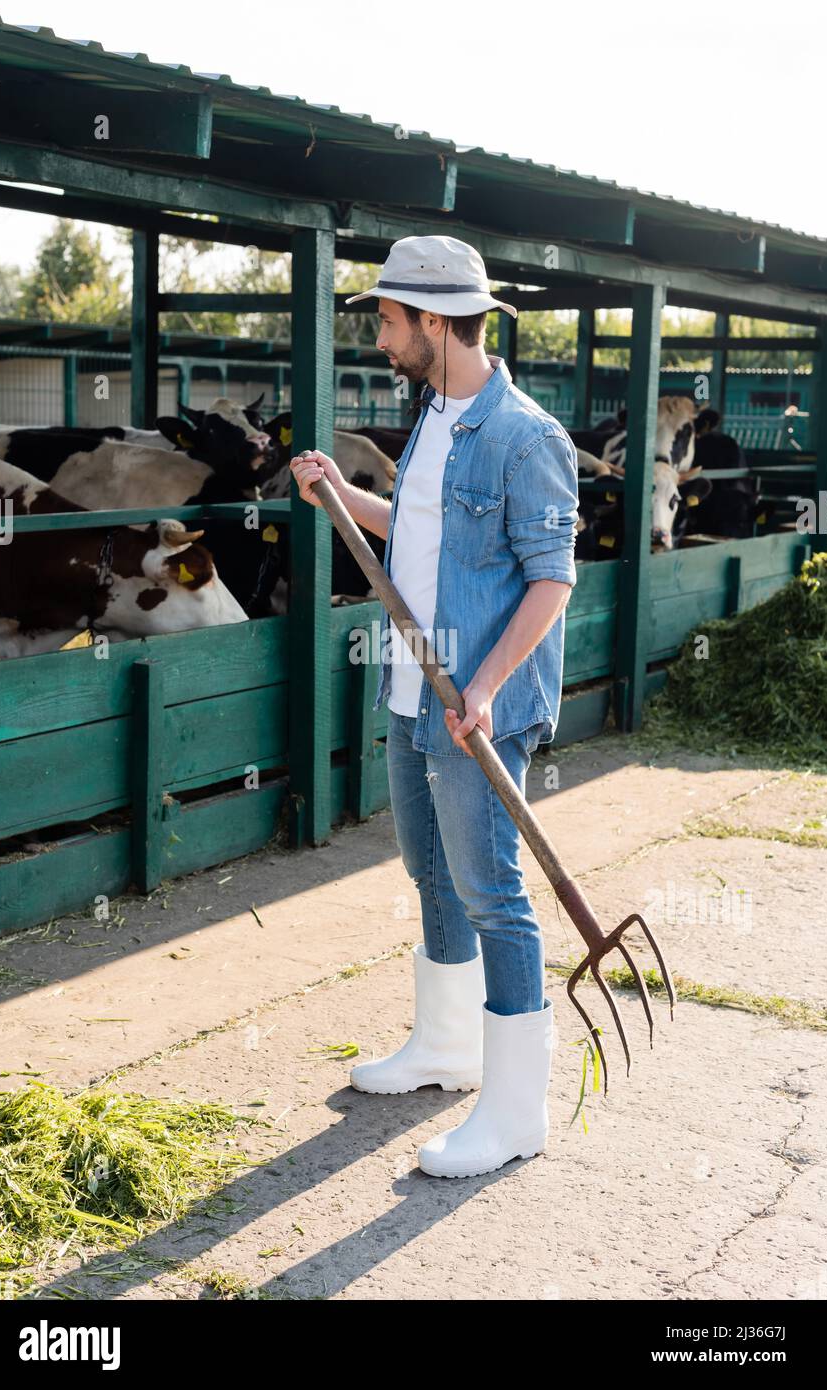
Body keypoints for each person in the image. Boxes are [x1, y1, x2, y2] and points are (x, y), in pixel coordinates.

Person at [289, 234, 579, 1179]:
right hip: (413, 690)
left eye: (385, 320)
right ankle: (446, 1051)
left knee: (493, 896)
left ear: (431, 321)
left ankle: (513, 1112)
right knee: (430, 874)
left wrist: (487, 686)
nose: (378, 338)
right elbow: (415, 526)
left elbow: (551, 582)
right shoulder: (432, 414)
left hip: (474, 704)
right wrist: (342, 492)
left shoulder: (526, 436)